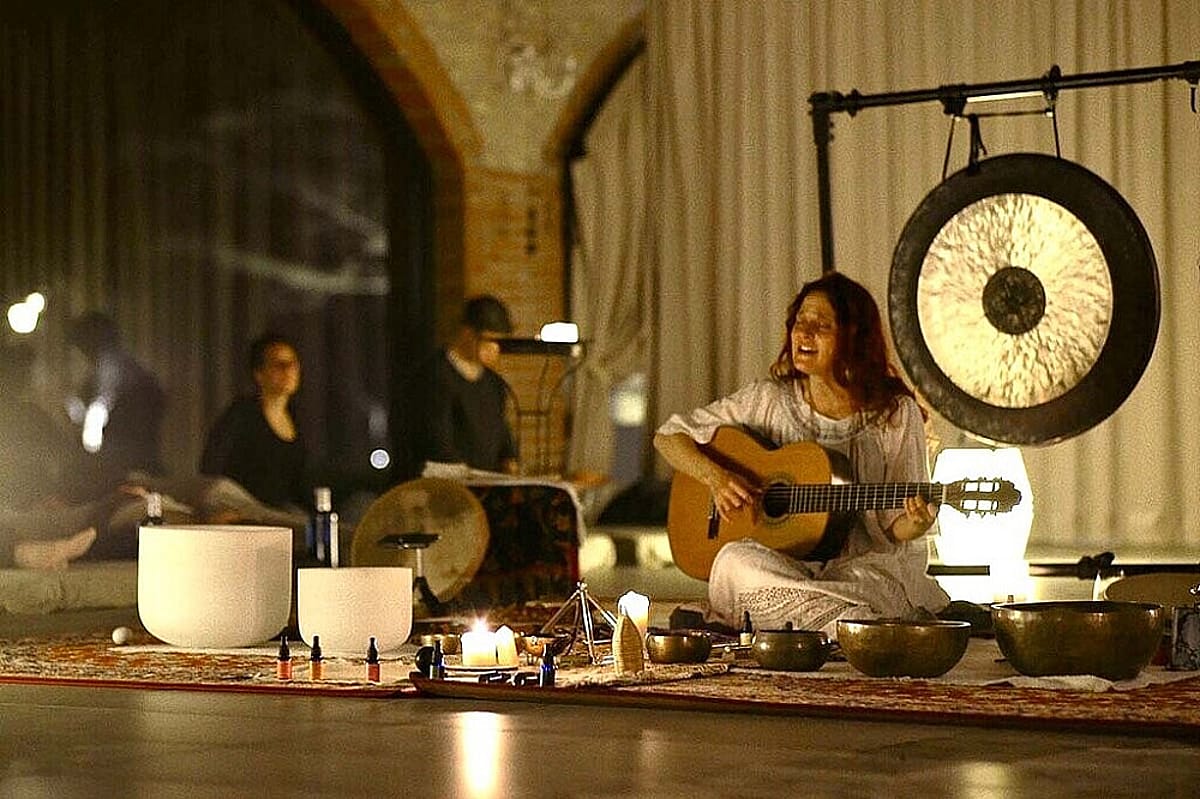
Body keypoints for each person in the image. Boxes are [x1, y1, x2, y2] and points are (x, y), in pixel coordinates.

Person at [654, 271, 950, 639]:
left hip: (860, 566)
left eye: (821, 325)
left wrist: (917, 523)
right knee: (732, 562)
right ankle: (852, 625)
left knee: (875, 585)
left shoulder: (893, 413)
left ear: (853, 337)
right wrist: (718, 478)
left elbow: (896, 528)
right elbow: (669, 436)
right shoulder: (768, 399)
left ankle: (782, 619)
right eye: (799, 321)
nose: (803, 333)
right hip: (784, 564)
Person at [200, 332, 310, 511]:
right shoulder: (242, 414)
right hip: (243, 509)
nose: (288, 370)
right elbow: (212, 468)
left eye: (292, 363)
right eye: (279, 364)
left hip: (282, 511)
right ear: (259, 373)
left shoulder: (297, 417)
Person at [64, 311, 167, 499]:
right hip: (135, 460)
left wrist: (88, 442)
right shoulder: (129, 368)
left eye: (82, 345)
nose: (81, 352)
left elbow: (99, 410)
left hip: (123, 464)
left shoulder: (112, 366)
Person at [415, 295, 519, 475]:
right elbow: (436, 437)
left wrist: (509, 458)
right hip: (450, 482)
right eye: (489, 340)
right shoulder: (437, 375)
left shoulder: (494, 382)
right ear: (468, 333)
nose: (494, 349)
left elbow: (501, 427)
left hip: (488, 481)